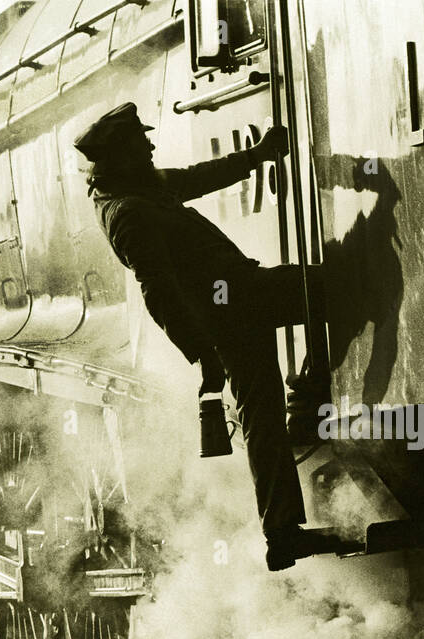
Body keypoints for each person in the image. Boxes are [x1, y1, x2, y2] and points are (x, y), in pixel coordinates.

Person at [74, 102, 336, 571]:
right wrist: (202, 356)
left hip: (236, 301)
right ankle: (314, 385)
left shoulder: (141, 189)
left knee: (261, 411)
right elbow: (159, 295)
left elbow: (200, 176)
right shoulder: (129, 212)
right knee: (335, 285)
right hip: (236, 305)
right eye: (141, 143)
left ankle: (282, 533)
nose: (151, 146)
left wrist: (259, 155)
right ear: (123, 156)